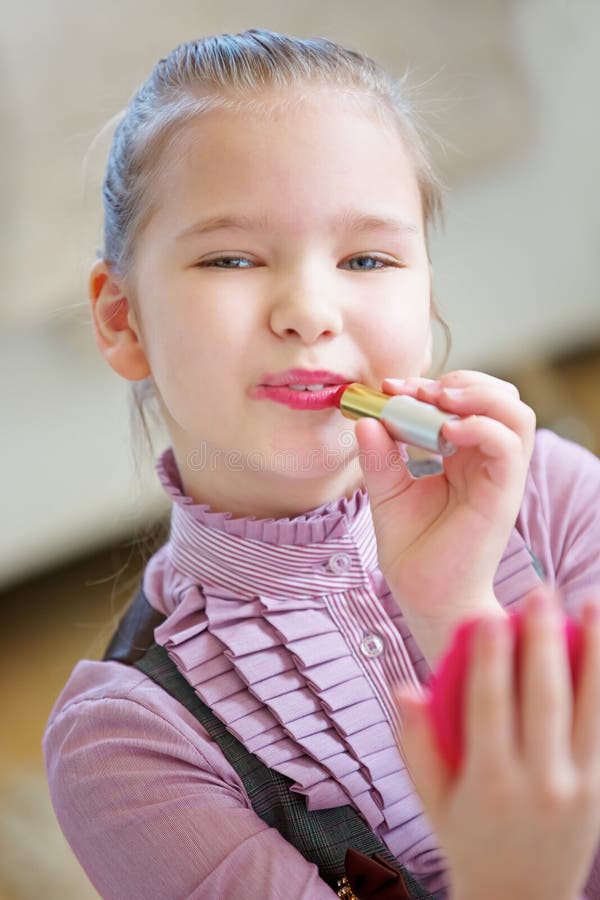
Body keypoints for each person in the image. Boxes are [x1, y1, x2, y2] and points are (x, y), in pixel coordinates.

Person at [42, 28, 600, 900]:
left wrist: (457, 610)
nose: (309, 311)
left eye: (367, 259)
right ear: (121, 319)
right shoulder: (126, 745)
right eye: (231, 257)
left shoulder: (558, 495)